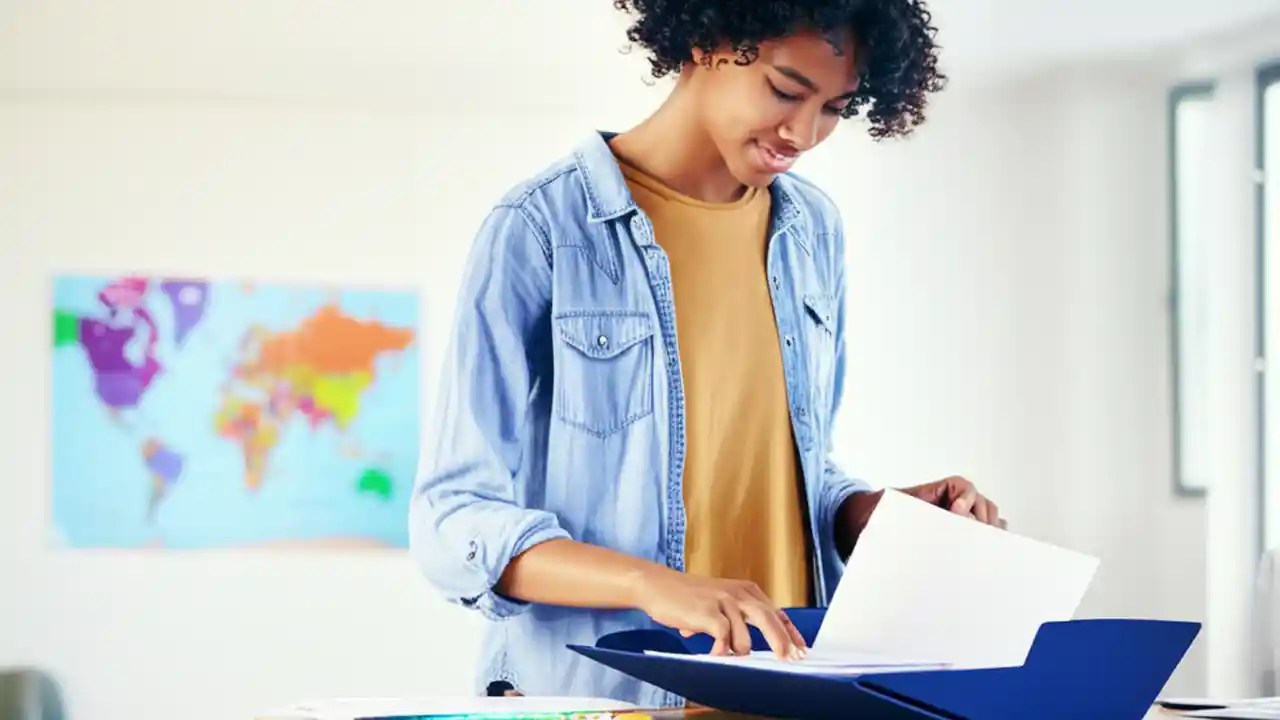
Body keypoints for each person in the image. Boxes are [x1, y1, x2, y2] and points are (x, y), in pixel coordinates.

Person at [410, 0, 1005, 707]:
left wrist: (872, 514)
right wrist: (652, 585)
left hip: (796, 692)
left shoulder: (812, 230)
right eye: (785, 91)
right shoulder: (541, 229)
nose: (803, 133)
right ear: (704, 41)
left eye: (835, 107)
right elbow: (453, 518)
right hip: (611, 697)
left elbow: (785, 472)